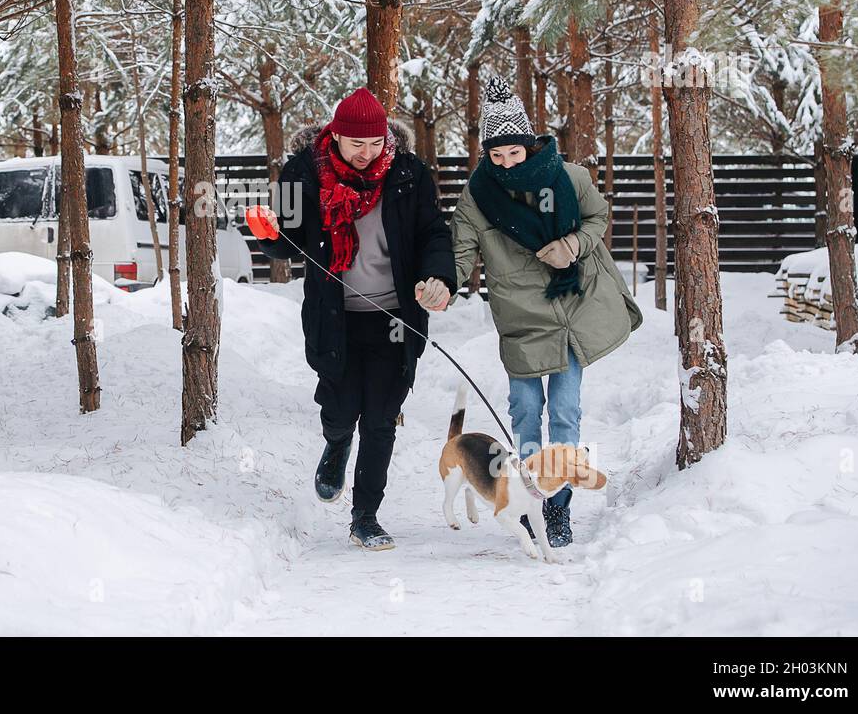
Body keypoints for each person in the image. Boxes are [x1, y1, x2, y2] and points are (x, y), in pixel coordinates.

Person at [252, 87, 456, 551]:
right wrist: (269, 234)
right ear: (336, 136)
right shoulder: (301, 173)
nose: (367, 154)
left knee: (382, 418)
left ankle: (365, 516)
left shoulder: (408, 174)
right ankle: (336, 442)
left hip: (395, 317)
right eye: (356, 144)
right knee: (342, 409)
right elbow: (290, 243)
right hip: (335, 316)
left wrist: (439, 277)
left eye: (375, 144)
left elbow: (432, 234)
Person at [450, 76, 642, 547]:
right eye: (495, 155)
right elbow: (460, 253)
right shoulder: (478, 197)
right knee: (525, 411)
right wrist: (442, 284)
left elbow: (599, 217)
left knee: (565, 413)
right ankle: (526, 498)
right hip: (521, 320)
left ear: (530, 145)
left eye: (514, 153)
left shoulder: (571, 177)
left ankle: (557, 508)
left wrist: (573, 244)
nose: (505, 163)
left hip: (571, 311)